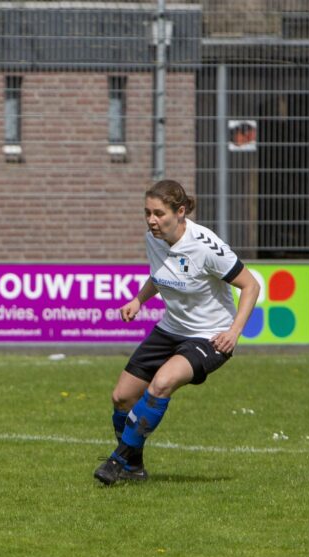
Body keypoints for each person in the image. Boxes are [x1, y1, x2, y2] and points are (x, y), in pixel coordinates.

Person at [94, 179, 261, 486]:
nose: (151, 220)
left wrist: (234, 332)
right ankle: (134, 467)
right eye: (147, 213)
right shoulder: (153, 238)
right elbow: (161, 275)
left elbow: (251, 285)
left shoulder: (206, 246)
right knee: (121, 397)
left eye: (158, 213)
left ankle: (117, 461)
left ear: (180, 212)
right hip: (171, 328)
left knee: (162, 383)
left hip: (210, 336)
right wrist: (138, 300)